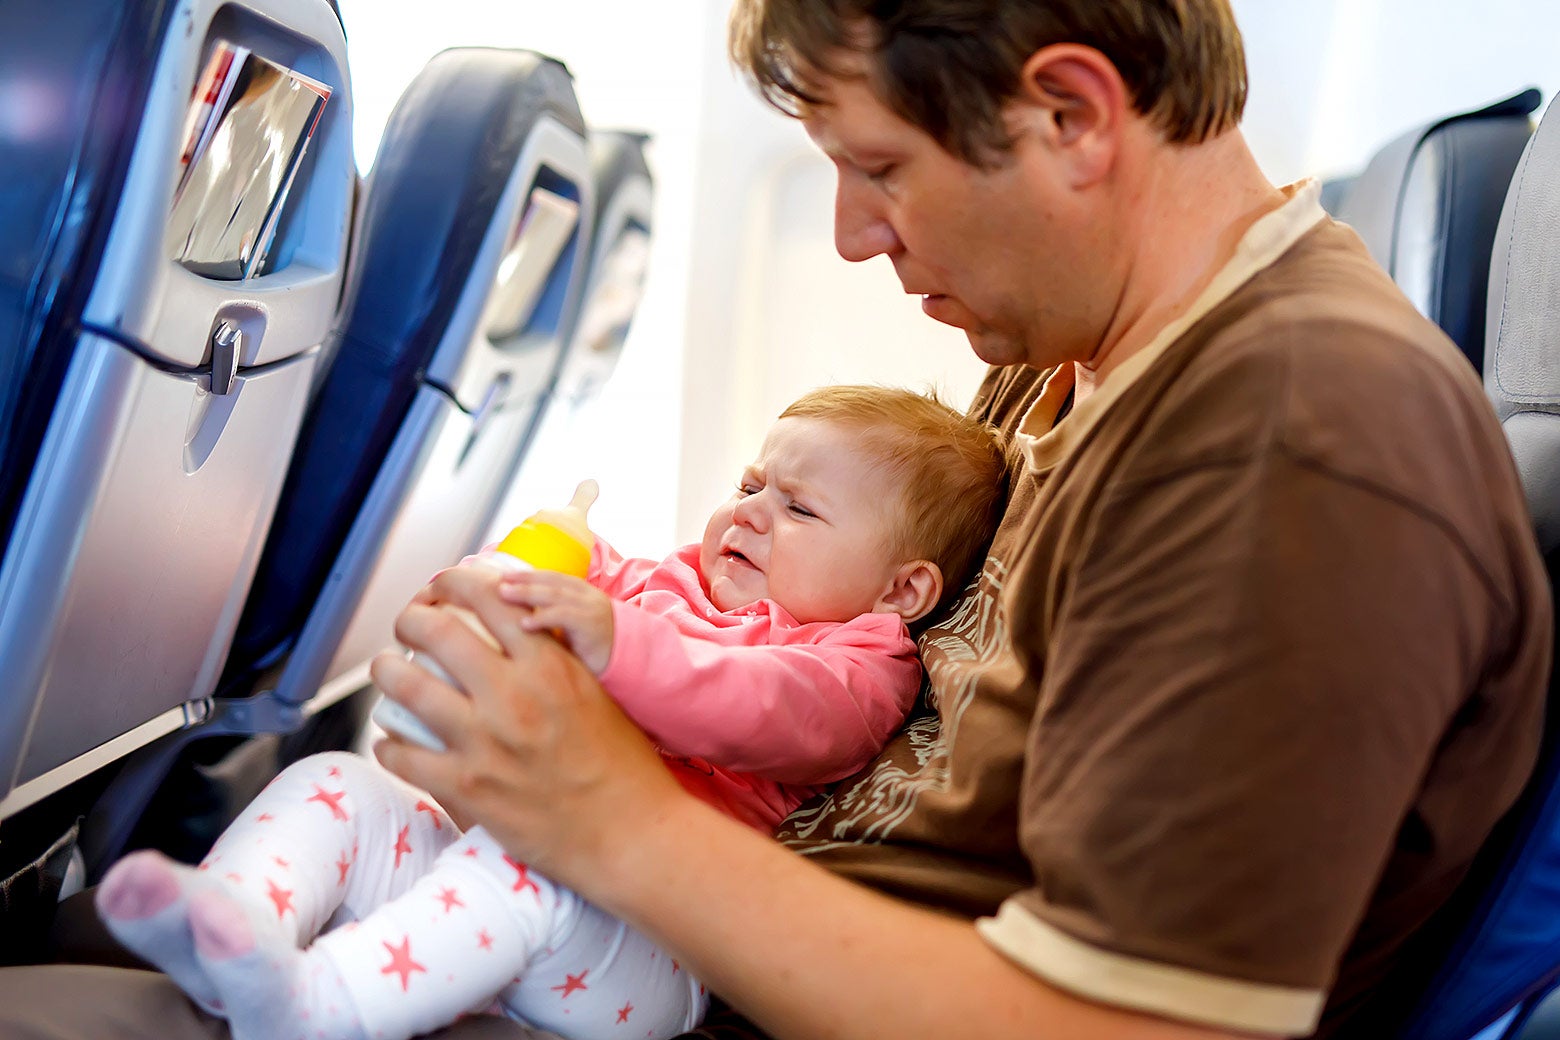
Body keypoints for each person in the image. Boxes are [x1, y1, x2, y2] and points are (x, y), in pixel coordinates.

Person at [0, 3, 1548, 1040]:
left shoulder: (1291, 444)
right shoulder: (1060, 375)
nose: (851, 234)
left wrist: (606, 813)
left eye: (878, 168)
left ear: (1073, 112)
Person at [89, 385, 1008, 1040]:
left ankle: (322, 1007)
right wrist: (514, 574)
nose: (751, 512)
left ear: (902, 588)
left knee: (518, 871)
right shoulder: (668, 579)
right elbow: (559, 578)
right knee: (335, 783)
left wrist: (613, 641)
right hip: (517, 869)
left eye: (800, 508)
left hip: (651, 952)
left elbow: (766, 714)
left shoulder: (854, 660)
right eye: (750, 480)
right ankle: (238, 924)